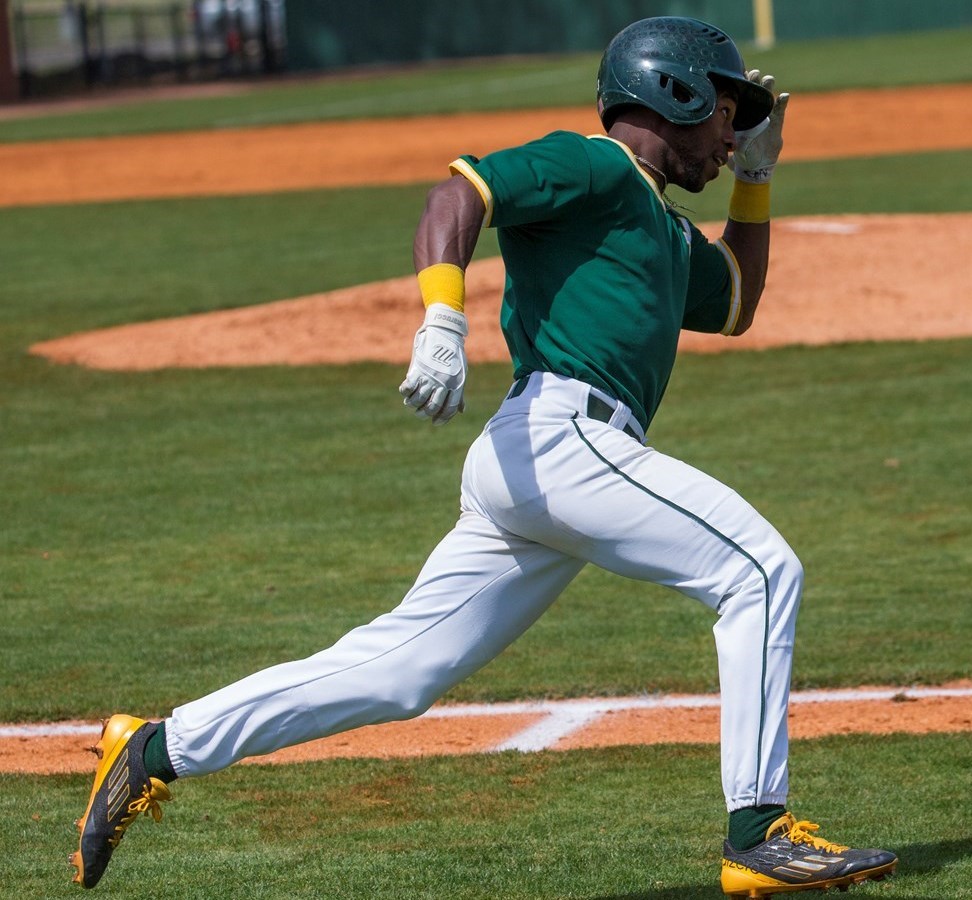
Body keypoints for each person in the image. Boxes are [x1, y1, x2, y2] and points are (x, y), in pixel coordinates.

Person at [69, 16, 897, 898]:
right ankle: (758, 833)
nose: (734, 137)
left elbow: (735, 304)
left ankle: (157, 746)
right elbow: (459, 196)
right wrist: (440, 320)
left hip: (540, 461)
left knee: (397, 673)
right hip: (564, 440)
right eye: (727, 113)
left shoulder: (655, 221)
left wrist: (759, 181)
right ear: (674, 94)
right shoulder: (595, 165)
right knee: (760, 572)